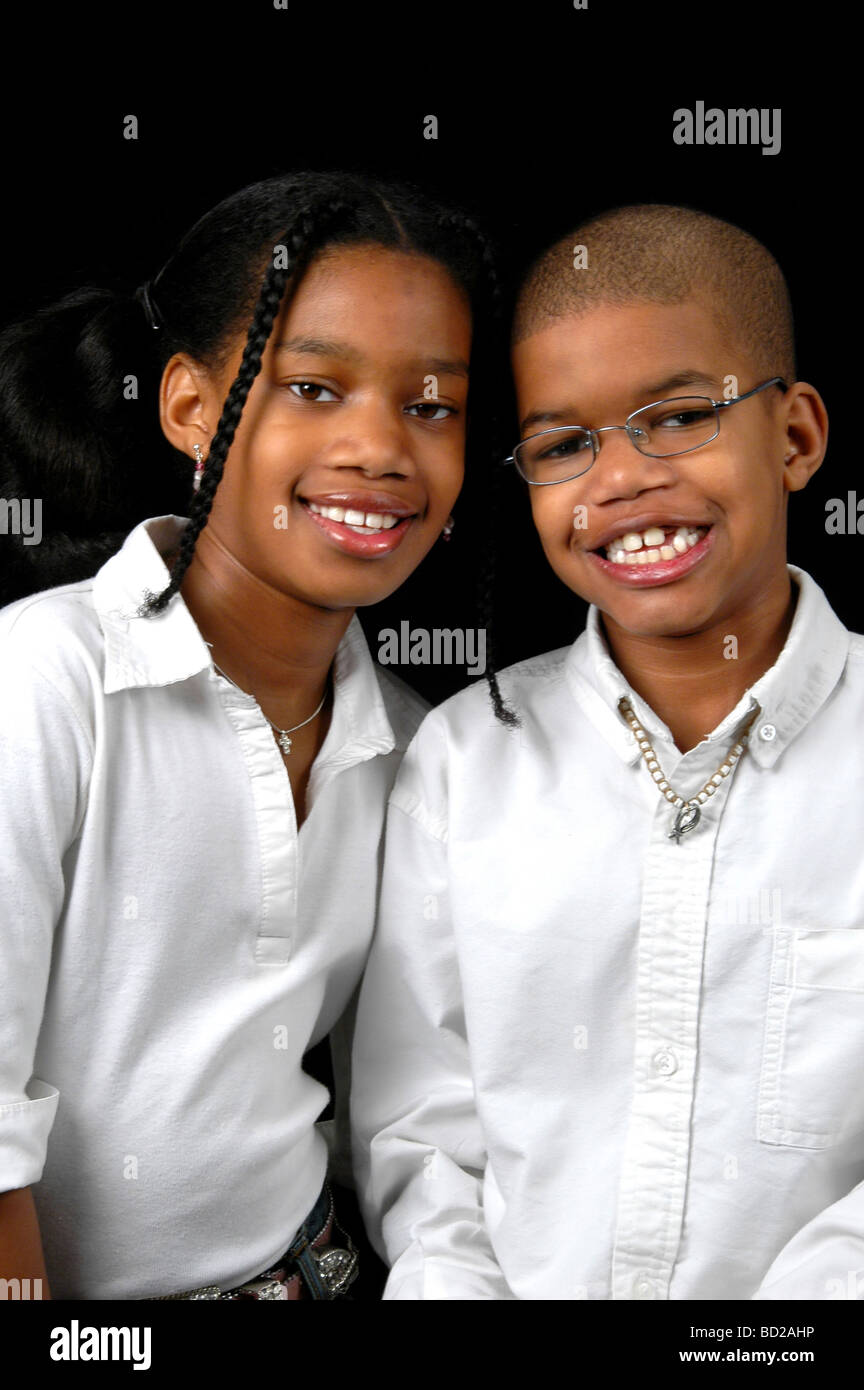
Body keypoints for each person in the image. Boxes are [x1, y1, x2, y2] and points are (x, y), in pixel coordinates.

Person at [349, 204, 864, 1300]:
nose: (620, 479)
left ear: (797, 438)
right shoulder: (461, 765)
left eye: (678, 416)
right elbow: (420, 1131)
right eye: (564, 445)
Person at [0, 169, 498, 1300]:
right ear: (188, 406)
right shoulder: (47, 680)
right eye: (315, 387)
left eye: (432, 405)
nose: (380, 446)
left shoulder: (418, 749)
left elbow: (420, 1109)